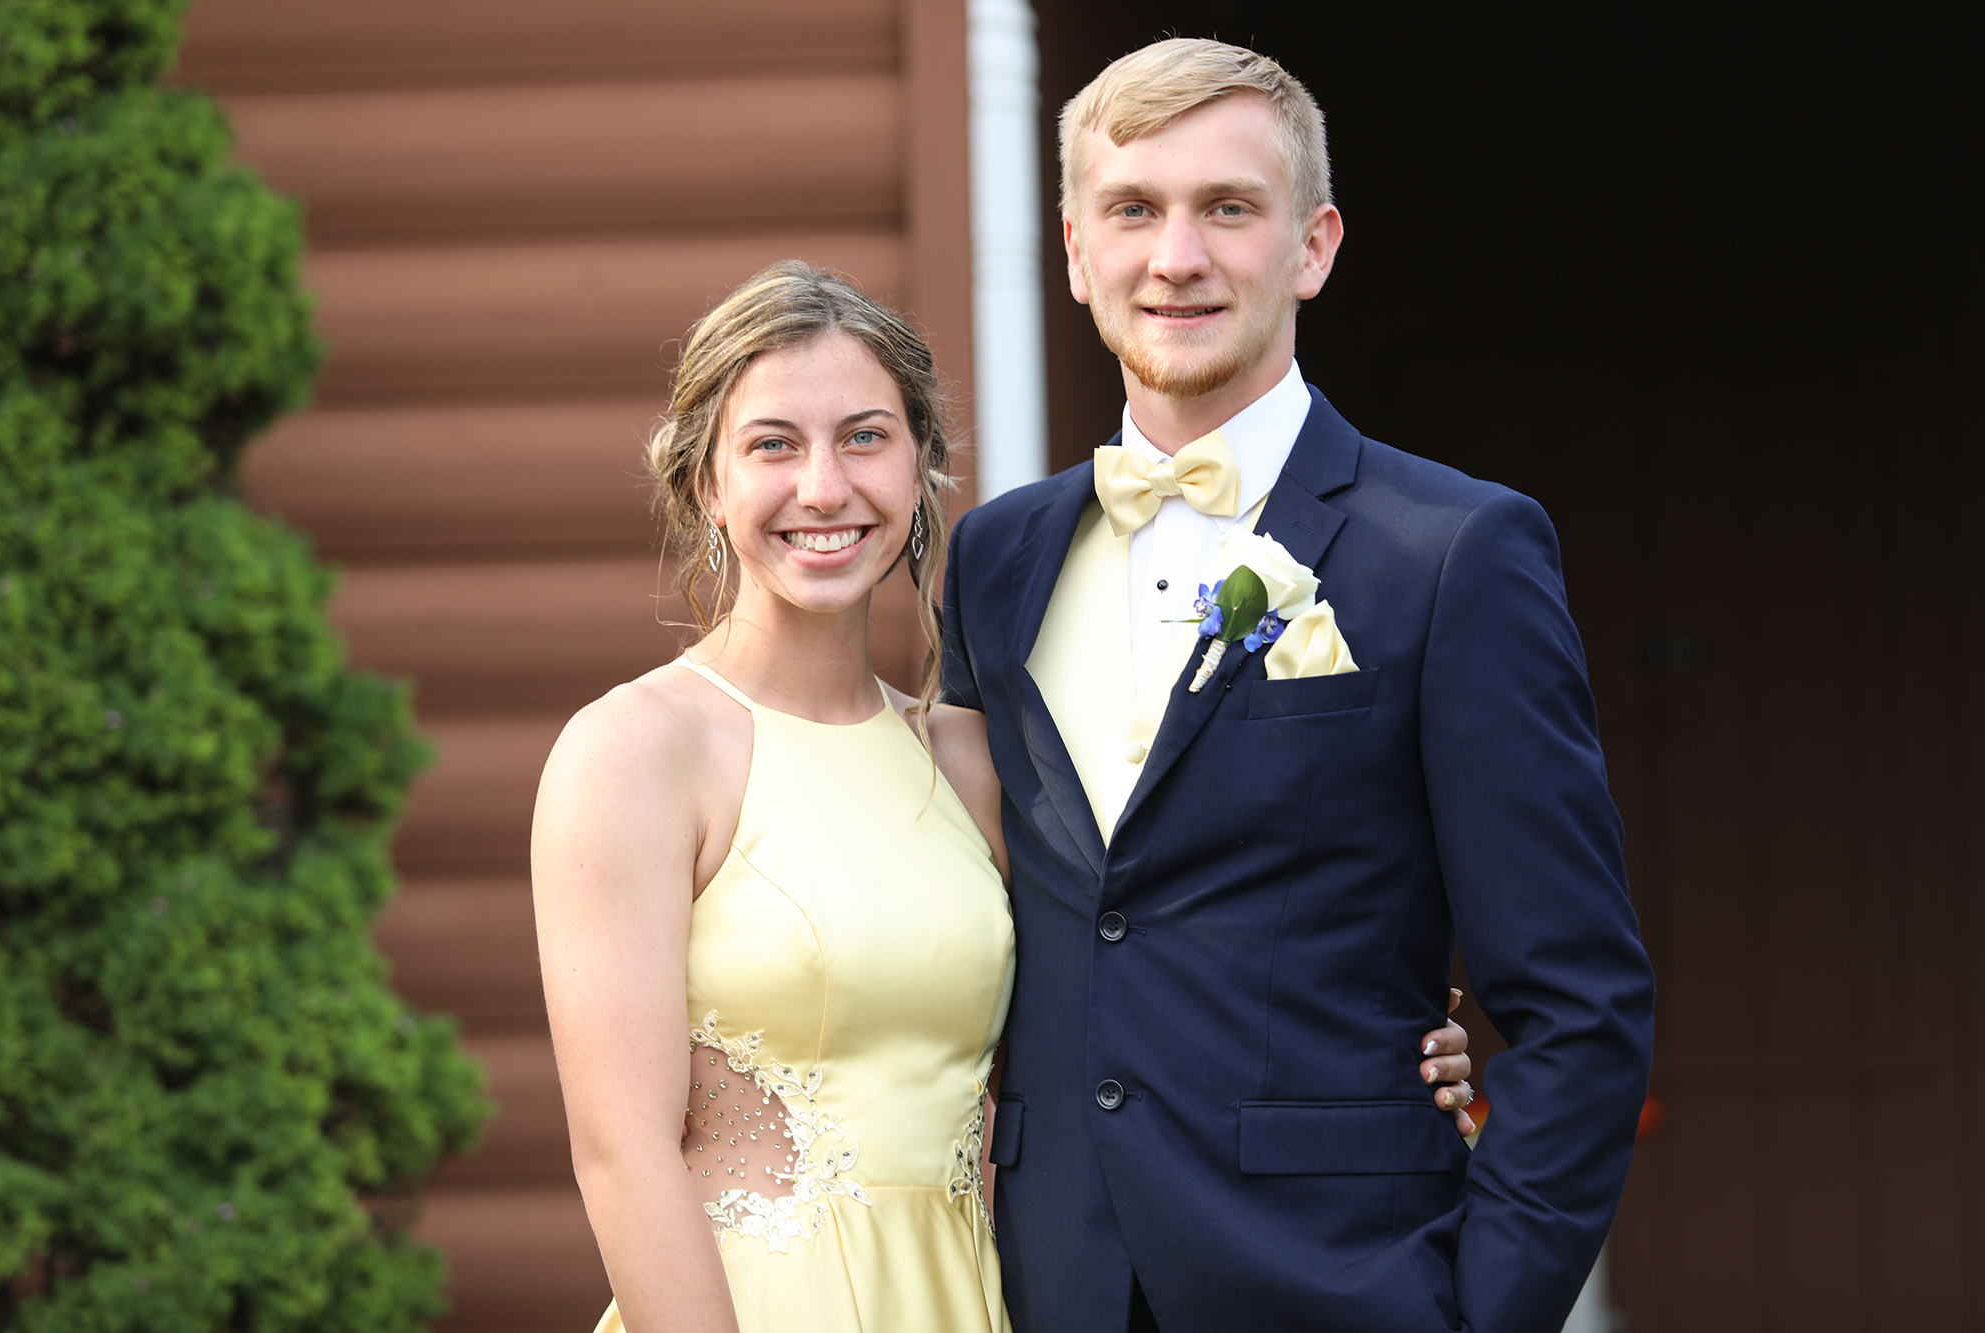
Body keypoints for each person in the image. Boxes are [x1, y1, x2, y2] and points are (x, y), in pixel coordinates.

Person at [530, 260, 1476, 1332]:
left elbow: (1139, 956)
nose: (825, 487)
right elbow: (621, 1152)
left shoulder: (968, 758)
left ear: (923, 467)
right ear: (706, 480)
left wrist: (1380, 1032)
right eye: (772, 445)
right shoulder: (635, 752)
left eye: (865, 436)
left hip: (974, 1294)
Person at [940, 38, 1657, 1333]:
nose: (1176, 256)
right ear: (1073, 250)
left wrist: (1479, 1312)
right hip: (1051, 1283)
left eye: (1228, 207)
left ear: (1313, 246)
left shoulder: (1452, 551)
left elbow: (1581, 1009)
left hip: (1342, 1281)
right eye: (1133, 210)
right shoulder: (998, 560)